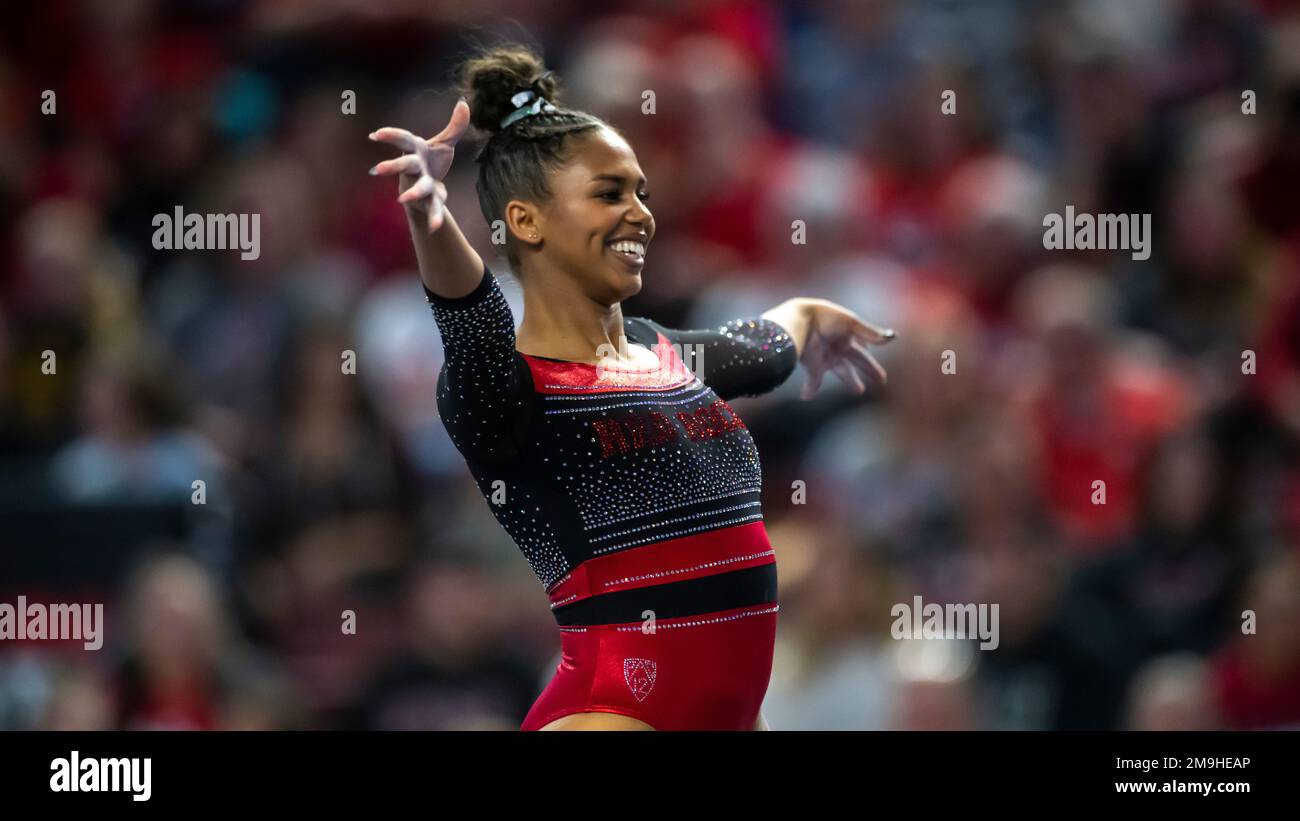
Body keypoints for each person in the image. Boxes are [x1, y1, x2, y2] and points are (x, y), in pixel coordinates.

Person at [369, 45, 893, 730]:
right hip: (614, 711)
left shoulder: (660, 350)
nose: (641, 213)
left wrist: (811, 315)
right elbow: (470, 314)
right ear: (526, 221)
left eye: (640, 191)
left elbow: (760, 350)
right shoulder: (511, 390)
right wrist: (431, 215)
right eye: (609, 193)